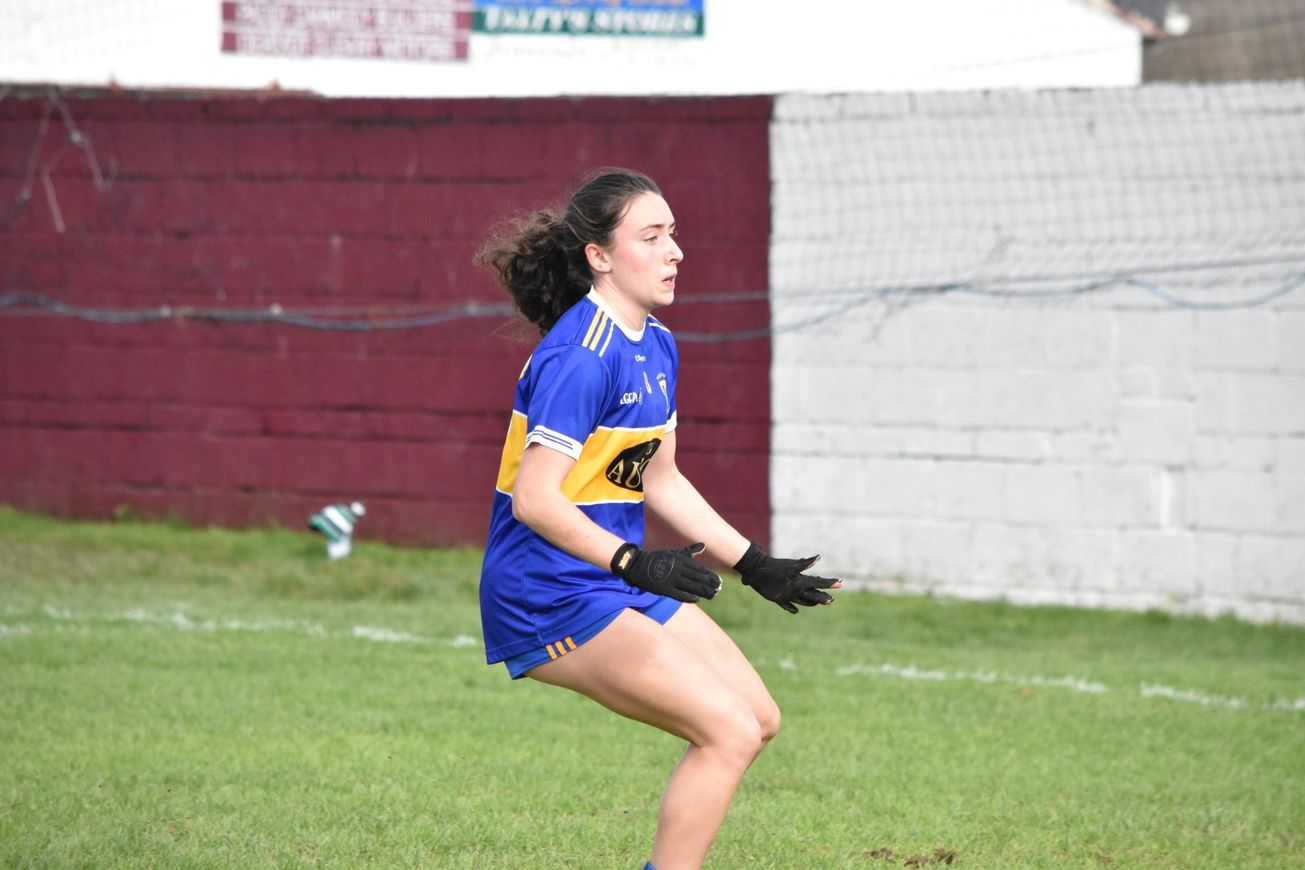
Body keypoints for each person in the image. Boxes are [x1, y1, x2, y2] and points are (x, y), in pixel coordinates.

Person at [476, 167, 841, 870]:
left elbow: (661, 477)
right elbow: (535, 499)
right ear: (600, 256)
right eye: (652, 236)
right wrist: (631, 561)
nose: (675, 251)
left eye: (673, 234)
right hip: (546, 591)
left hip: (607, 578)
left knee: (757, 720)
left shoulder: (656, 344)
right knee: (727, 731)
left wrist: (753, 564)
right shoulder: (579, 359)